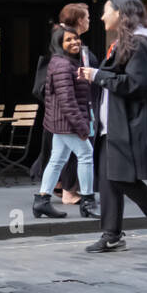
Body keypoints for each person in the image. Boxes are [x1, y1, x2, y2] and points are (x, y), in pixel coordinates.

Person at [81, 0, 147, 253]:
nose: (102, 15)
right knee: (109, 180)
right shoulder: (123, 44)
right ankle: (112, 234)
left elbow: (137, 85)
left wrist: (97, 76)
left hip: (127, 124)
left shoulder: (141, 45)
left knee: (123, 179)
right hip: (112, 124)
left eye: (106, 10)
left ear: (120, 13)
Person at [33, 25, 98, 219]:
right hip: (67, 122)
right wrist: (81, 126)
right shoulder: (62, 65)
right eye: (68, 40)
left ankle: (42, 201)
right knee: (86, 154)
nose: (74, 42)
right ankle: (87, 201)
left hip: (60, 121)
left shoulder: (63, 62)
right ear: (59, 44)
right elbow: (67, 100)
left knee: (57, 159)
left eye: (76, 38)